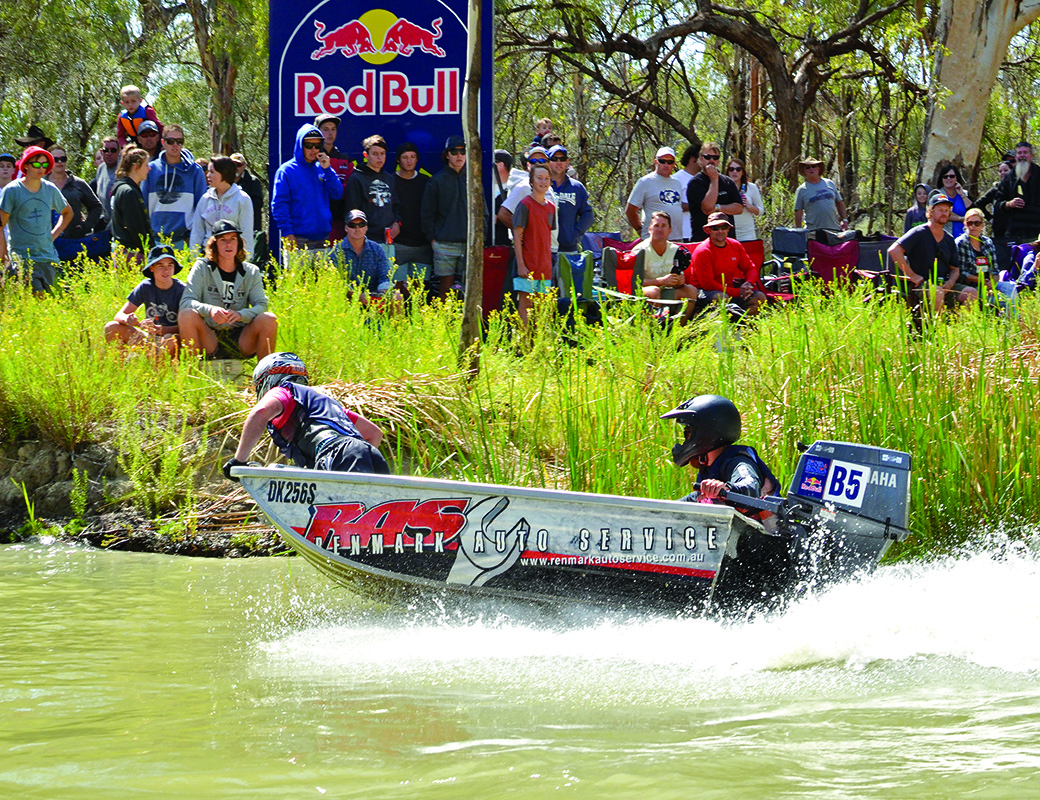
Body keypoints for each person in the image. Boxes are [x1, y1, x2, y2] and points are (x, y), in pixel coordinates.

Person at [222, 352, 389, 479]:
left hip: (337, 453)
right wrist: (359, 457)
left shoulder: (283, 391)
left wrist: (239, 460)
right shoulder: (324, 404)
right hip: (369, 453)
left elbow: (260, 412)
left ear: (268, 379)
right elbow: (374, 433)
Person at [178, 220, 278, 359]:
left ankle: (265, 376)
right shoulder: (201, 267)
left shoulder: (251, 271)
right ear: (215, 244)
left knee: (269, 319)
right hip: (209, 335)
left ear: (239, 243)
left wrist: (242, 314)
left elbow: (262, 305)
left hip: (241, 336)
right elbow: (186, 302)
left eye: (233, 239)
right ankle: (192, 372)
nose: (229, 244)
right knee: (186, 314)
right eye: (223, 240)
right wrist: (210, 310)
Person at [661, 394, 779, 503]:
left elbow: (750, 486)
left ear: (706, 432)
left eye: (688, 432)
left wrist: (725, 488)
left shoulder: (737, 462)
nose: (686, 439)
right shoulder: (709, 467)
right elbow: (694, 499)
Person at [0, 146, 72, 295]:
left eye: (45, 164)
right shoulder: (12, 190)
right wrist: (4, 257)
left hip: (48, 258)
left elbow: (68, 212)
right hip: (22, 258)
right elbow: (1, 225)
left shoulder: (50, 189)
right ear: (26, 165)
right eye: (37, 164)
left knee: (50, 305)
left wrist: (53, 235)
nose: (41, 168)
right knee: (37, 299)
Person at [271, 122, 344, 256]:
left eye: (317, 145)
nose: (313, 150)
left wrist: (327, 170)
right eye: (309, 145)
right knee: (298, 277)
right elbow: (279, 205)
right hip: (298, 238)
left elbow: (337, 193)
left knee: (324, 278)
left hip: (323, 238)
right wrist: (288, 234)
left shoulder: (322, 168)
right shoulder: (286, 171)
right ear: (300, 145)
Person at [103, 244, 185, 356]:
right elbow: (119, 315)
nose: (166, 270)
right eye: (160, 266)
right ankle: (123, 366)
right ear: (152, 268)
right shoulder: (145, 287)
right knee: (111, 327)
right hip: (150, 338)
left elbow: (185, 327)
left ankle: (155, 367)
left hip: (172, 338)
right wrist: (128, 319)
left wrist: (159, 329)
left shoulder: (181, 290)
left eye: (170, 265)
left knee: (168, 339)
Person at [888, 193, 963, 314]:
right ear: (931, 211)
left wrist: (950, 283)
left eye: (947, 210)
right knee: (937, 292)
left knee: (971, 293)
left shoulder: (949, 239)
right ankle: (939, 329)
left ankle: (960, 328)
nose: (944, 213)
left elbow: (955, 268)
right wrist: (912, 275)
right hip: (921, 284)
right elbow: (894, 250)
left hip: (943, 283)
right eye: (940, 210)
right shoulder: (919, 232)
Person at [421, 135, 469, 299]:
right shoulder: (437, 181)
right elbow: (427, 214)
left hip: (469, 244)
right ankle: (444, 323)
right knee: (446, 286)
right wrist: (433, 239)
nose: (459, 156)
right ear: (447, 155)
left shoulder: (473, 180)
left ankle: (466, 323)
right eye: (454, 151)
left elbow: (482, 212)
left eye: (463, 151)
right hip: (443, 243)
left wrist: (480, 239)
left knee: (467, 286)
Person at [691, 212, 766, 316]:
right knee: (721, 298)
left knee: (759, 297)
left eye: (724, 227)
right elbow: (708, 284)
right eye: (715, 228)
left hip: (729, 290)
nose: (720, 231)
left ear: (728, 229)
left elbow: (750, 268)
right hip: (703, 292)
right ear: (708, 230)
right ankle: (713, 324)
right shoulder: (703, 251)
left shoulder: (735, 245)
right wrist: (737, 292)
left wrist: (749, 284)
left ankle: (743, 326)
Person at [141, 124, 206, 245]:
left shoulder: (195, 171)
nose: (175, 145)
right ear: (163, 143)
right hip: (156, 240)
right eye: (170, 141)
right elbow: (143, 204)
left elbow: (201, 207)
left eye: (179, 141)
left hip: (184, 240)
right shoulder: (151, 169)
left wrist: (191, 236)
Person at [632, 211, 700, 316]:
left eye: (664, 226)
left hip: (665, 292)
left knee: (691, 290)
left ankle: (678, 329)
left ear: (669, 230)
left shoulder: (675, 250)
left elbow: (677, 273)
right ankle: (655, 329)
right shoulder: (641, 250)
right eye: (656, 226)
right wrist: (661, 281)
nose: (659, 229)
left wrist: (679, 281)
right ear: (649, 229)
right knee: (653, 291)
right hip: (642, 294)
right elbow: (633, 282)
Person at [512, 164, 556, 326]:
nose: (543, 182)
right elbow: (517, 235)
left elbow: (548, 235)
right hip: (528, 264)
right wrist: (521, 265)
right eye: (539, 178)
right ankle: (524, 342)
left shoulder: (551, 208)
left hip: (544, 266)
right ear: (531, 181)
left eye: (546, 179)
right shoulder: (525, 205)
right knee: (525, 304)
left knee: (542, 305)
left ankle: (539, 342)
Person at [955, 207, 1016, 314]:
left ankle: (1015, 323)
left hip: (988, 283)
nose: (973, 226)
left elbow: (995, 270)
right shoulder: (960, 243)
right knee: (1002, 301)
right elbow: (962, 273)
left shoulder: (988, 242)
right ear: (965, 224)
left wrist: (992, 283)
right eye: (970, 223)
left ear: (982, 225)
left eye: (977, 223)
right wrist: (980, 280)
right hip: (972, 285)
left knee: (1010, 288)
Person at [190, 155, 254, 252]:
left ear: (224, 173)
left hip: (232, 256)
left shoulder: (242, 199)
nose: (207, 175)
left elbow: (246, 234)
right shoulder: (205, 199)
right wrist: (194, 258)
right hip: (208, 255)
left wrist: (245, 261)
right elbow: (197, 232)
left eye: (212, 172)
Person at [346, 134, 401, 246]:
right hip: (366, 240)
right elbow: (351, 211)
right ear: (366, 155)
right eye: (375, 154)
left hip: (388, 238)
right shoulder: (356, 179)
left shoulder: (389, 178)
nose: (379, 158)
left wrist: (397, 223)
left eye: (382, 154)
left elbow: (396, 205)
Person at [336, 210, 396, 308]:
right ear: (346, 228)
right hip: (348, 296)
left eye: (361, 224)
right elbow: (338, 281)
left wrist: (381, 294)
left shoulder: (377, 249)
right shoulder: (337, 251)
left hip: (375, 294)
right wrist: (358, 295)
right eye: (352, 225)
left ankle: (394, 323)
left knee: (397, 297)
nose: (357, 228)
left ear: (366, 227)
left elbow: (385, 276)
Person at [686, 142, 744, 243]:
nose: (711, 160)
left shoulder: (728, 182)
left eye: (715, 157)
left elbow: (738, 208)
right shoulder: (695, 183)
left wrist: (717, 208)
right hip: (703, 241)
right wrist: (714, 180)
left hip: (727, 241)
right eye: (707, 157)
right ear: (700, 159)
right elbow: (707, 207)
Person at [393, 142, 432, 292]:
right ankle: (399, 316)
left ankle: (417, 316)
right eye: (405, 157)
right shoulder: (391, 181)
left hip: (422, 244)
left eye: (412, 157)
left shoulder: (426, 182)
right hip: (399, 244)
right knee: (397, 289)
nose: (409, 161)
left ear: (417, 159)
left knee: (419, 290)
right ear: (398, 160)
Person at [547, 145, 593, 269]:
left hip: (569, 249)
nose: (558, 162)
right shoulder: (542, 185)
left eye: (562, 159)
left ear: (567, 162)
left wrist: (575, 234)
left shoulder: (577, 187)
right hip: (545, 250)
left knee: (568, 287)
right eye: (554, 159)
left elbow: (588, 215)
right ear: (548, 162)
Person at [625, 147, 684, 240]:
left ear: (674, 164)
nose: (666, 165)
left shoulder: (676, 183)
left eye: (670, 162)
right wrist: (639, 229)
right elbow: (630, 210)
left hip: (676, 238)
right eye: (662, 161)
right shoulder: (645, 182)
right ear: (656, 162)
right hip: (653, 240)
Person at [48, 145, 103, 244]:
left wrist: (86, 226)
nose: (60, 162)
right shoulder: (41, 183)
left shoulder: (78, 183)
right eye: (55, 159)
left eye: (63, 159)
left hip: (73, 240)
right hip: (47, 240)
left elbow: (96, 206)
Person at [314, 113, 354, 242]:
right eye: (326, 129)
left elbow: (350, 188)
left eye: (333, 129)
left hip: (339, 221)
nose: (330, 133)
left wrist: (334, 188)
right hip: (316, 220)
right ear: (317, 131)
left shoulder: (344, 159)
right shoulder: (311, 158)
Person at [110, 146, 153, 258]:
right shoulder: (128, 192)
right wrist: (149, 250)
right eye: (146, 165)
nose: (149, 169)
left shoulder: (127, 189)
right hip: (132, 254)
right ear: (135, 167)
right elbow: (135, 227)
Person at [995, 141, 1040, 243]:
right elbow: (997, 203)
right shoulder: (1008, 178)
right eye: (1019, 153)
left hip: (1037, 233)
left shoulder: (1038, 175)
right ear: (1016, 156)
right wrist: (1009, 204)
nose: (1022, 156)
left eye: (1025, 153)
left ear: (1031, 156)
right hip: (1014, 233)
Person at [794, 157, 848, 232]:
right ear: (805, 171)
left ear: (818, 169)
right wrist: (799, 231)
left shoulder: (829, 183)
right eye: (807, 167)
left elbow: (839, 203)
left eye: (813, 166)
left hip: (834, 229)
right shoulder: (802, 190)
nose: (811, 169)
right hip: (813, 231)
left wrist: (844, 220)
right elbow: (798, 212)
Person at [726, 157, 763, 242]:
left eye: (738, 169)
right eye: (731, 169)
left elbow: (761, 211)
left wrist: (749, 206)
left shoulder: (751, 187)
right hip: (728, 234)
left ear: (743, 172)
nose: (734, 172)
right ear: (728, 172)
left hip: (747, 235)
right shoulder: (723, 188)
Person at [971, 159, 1013, 236]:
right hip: (999, 230)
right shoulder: (995, 189)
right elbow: (978, 204)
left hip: (1017, 229)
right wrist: (990, 218)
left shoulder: (1018, 188)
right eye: (1000, 171)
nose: (1003, 173)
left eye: (1006, 170)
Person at [230, 153, 265, 232]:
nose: (235, 168)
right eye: (232, 165)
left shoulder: (253, 182)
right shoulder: (225, 182)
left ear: (244, 166)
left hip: (250, 227)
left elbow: (257, 204)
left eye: (238, 165)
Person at [91, 136, 120, 224]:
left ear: (119, 152)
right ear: (101, 151)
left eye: (113, 150)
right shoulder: (101, 169)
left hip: (119, 222)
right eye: (106, 150)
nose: (109, 153)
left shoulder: (122, 168)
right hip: (105, 220)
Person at [674, 145, 700, 241]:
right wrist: (697, 206)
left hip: (701, 232)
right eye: (702, 157)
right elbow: (674, 205)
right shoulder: (677, 179)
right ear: (692, 159)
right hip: (683, 233)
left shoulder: (705, 179)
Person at [936, 164, 971, 237]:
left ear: (957, 178)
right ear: (941, 179)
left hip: (965, 238)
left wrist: (962, 195)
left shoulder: (965, 194)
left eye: (952, 176)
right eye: (945, 177)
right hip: (944, 238)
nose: (948, 179)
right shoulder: (936, 195)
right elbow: (942, 214)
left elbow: (973, 211)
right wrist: (961, 219)